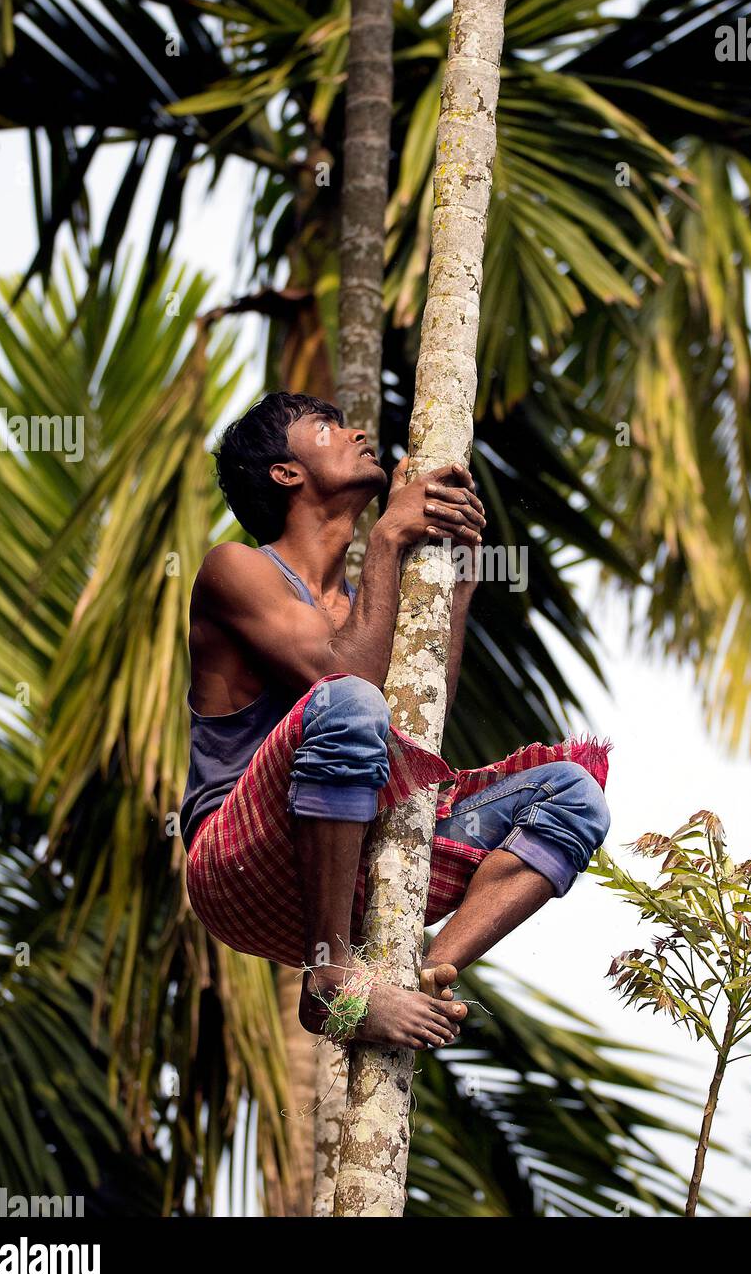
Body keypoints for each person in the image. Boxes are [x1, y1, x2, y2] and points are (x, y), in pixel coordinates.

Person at [181, 392, 610, 1049]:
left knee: (571, 794)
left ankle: (412, 976)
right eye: (326, 429)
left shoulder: (366, 611)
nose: (356, 433)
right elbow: (346, 685)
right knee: (350, 703)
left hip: (347, 858)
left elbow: (415, 722)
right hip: (238, 860)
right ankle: (331, 977)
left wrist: (453, 593)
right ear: (284, 472)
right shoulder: (235, 568)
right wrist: (387, 537)